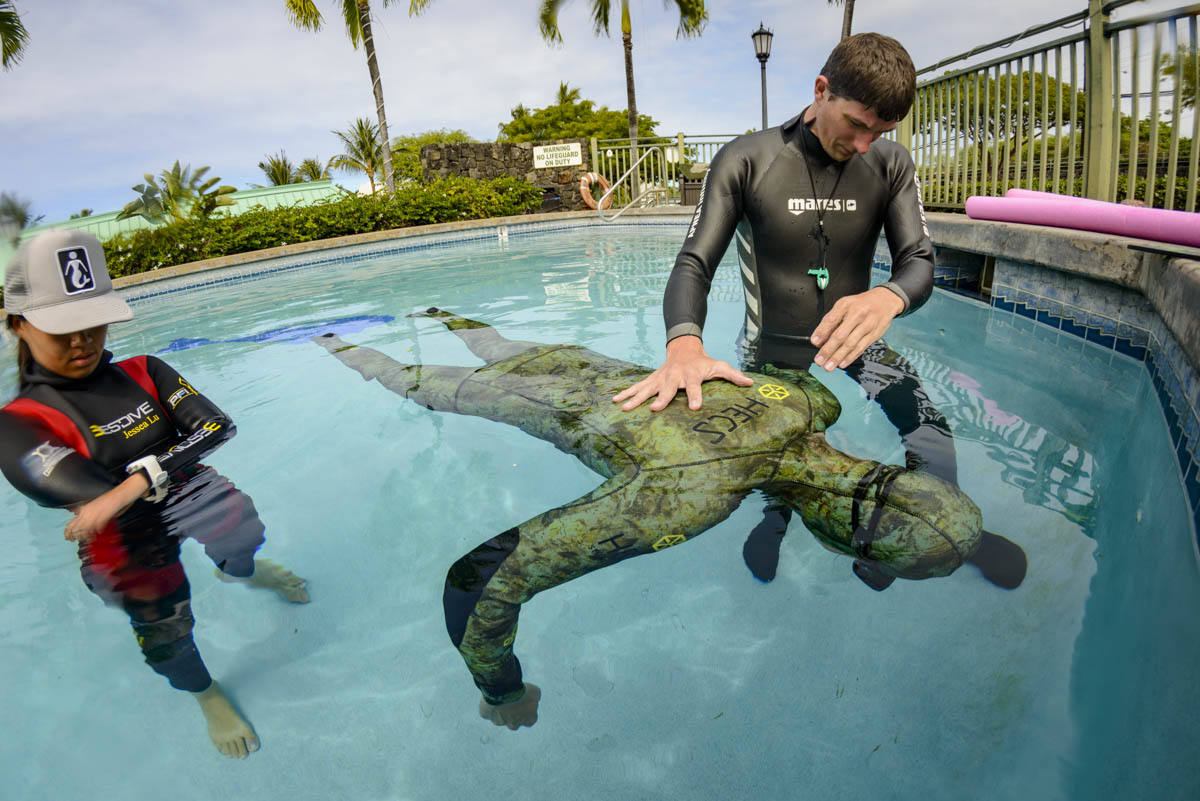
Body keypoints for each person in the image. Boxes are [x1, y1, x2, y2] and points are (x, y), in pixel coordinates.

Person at [314, 308, 986, 730]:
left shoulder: (812, 403)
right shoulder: (686, 500)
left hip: (589, 364)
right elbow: (479, 580)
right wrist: (501, 688)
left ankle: (429, 310)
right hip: (542, 402)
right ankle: (322, 339)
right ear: (837, 536)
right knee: (406, 377)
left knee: (501, 341)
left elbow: (790, 367)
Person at [611, 33, 1026, 589]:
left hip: (855, 340)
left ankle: (941, 532)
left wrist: (889, 296)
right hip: (771, 350)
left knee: (930, 432)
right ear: (821, 90)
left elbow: (919, 260)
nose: (864, 144)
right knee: (776, 456)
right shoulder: (748, 158)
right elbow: (693, 263)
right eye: (857, 124)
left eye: (880, 132)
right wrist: (684, 343)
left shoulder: (890, 162)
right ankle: (775, 519)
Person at [0, 230, 308, 759]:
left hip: (187, 491)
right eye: (62, 327)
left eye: (91, 321)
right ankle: (207, 695)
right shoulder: (17, 425)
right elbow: (84, 492)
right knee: (163, 625)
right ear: (17, 323)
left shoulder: (145, 369)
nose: (82, 341)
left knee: (246, 534)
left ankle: (244, 572)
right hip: (124, 538)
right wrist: (150, 473)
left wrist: (137, 481)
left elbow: (216, 427)